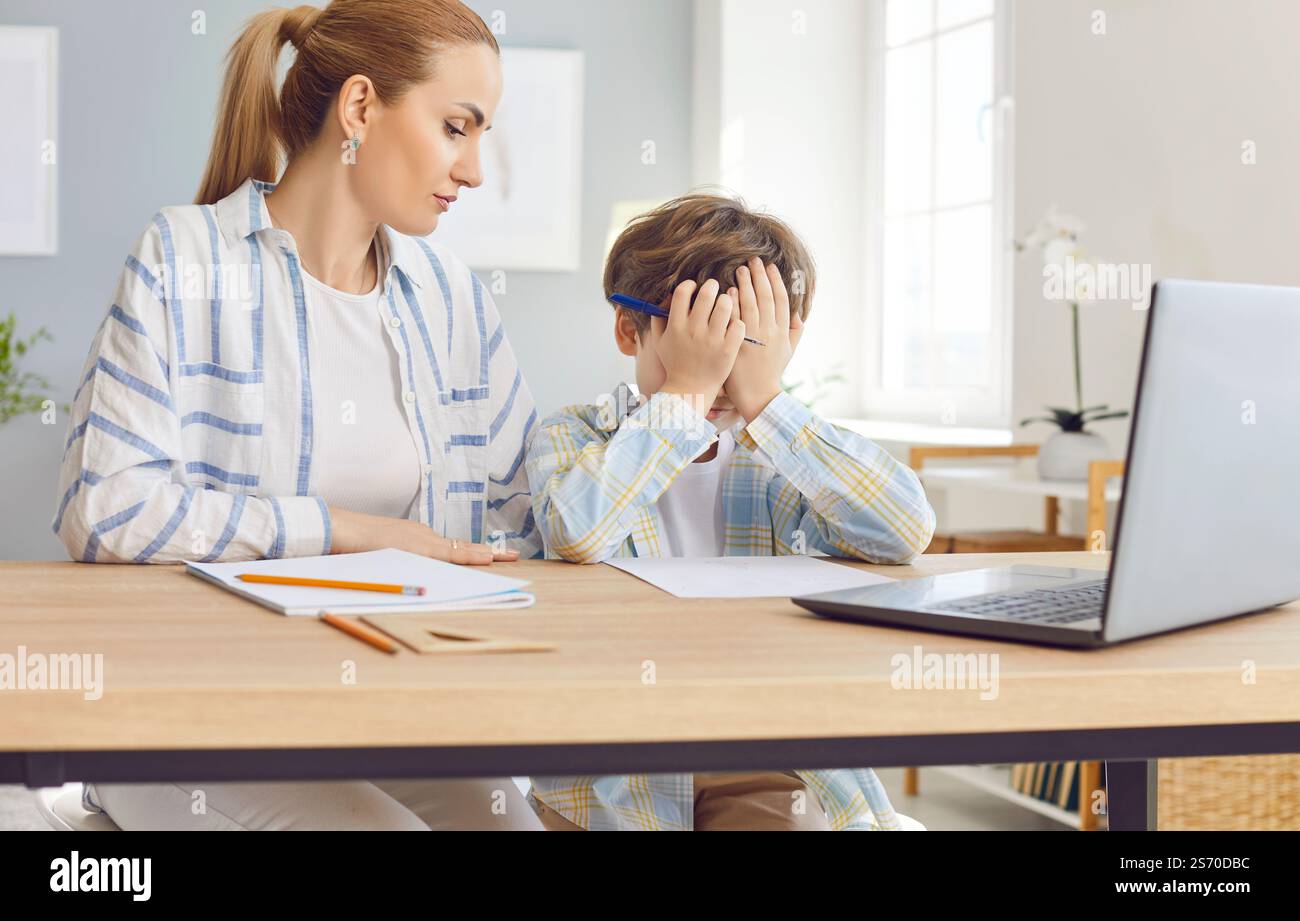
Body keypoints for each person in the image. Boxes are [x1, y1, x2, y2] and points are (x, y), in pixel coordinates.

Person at [52, 1, 542, 830]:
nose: (475, 170)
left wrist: (669, 404)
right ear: (359, 108)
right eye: (458, 127)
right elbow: (105, 509)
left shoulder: (451, 298)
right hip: (186, 717)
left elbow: (525, 517)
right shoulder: (186, 256)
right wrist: (347, 530)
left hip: (384, 714)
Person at [524, 194, 937, 830]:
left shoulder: (788, 456)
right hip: (612, 773)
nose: (721, 371)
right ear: (629, 329)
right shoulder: (576, 435)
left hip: (765, 752)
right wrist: (684, 394)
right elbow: (576, 531)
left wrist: (768, 400)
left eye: (743, 344)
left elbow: (905, 529)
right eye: (701, 343)